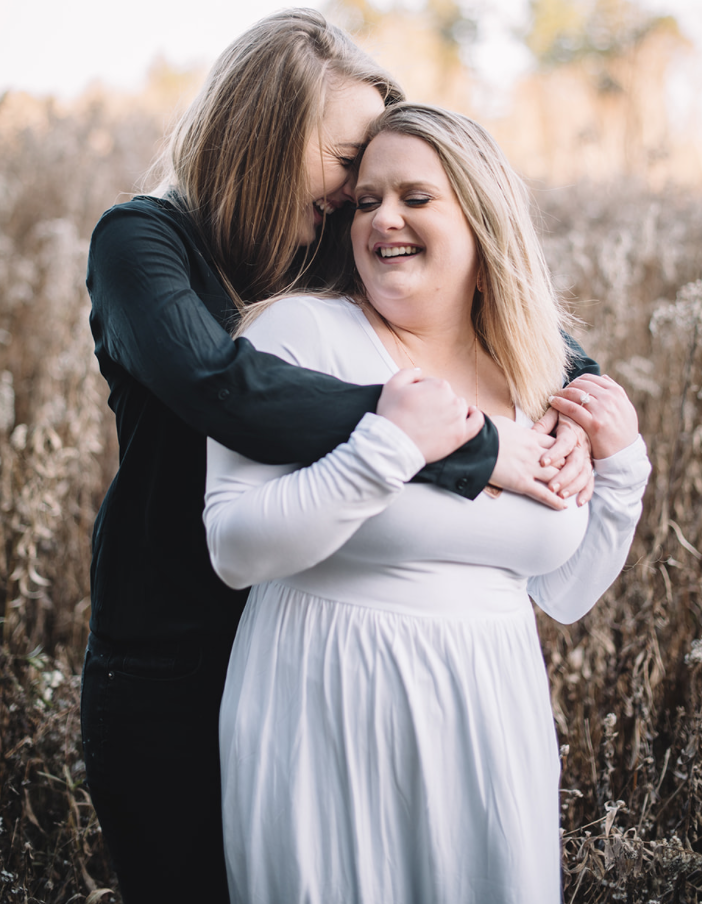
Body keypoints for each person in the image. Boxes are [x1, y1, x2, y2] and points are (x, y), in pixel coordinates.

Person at [82, 11, 595, 903]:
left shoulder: (324, 238)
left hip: (296, 658)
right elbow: (219, 385)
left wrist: (579, 406)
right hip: (167, 659)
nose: (358, 186)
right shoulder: (143, 241)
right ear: (270, 137)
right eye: (345, 156)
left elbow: (489, 299)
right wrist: (462, 440)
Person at [204, 103, 651, 904]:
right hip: (323, 707)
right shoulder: (297, 337)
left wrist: (624, 475)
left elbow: (565, 591)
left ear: (482, 217)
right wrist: (391, 446)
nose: (384, 219)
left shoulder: (540, 378)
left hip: (491, 719)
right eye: (367, 200)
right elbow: (235, 549)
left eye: (415, 197)